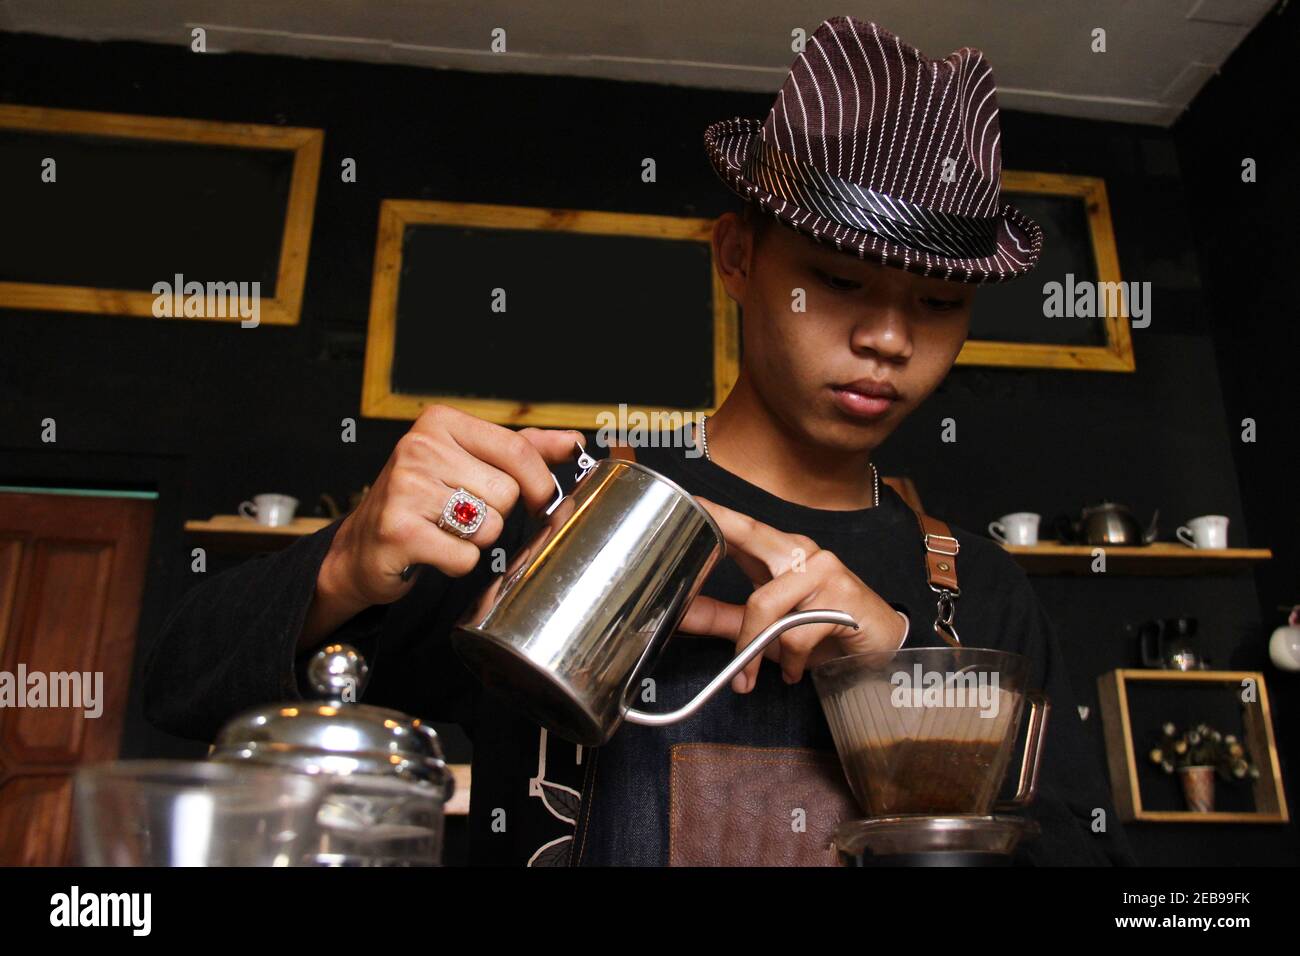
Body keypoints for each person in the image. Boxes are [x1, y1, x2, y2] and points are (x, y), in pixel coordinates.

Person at [145, 15, 1135, 866]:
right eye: (836, 282)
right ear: (738, 257)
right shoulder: (558, 508)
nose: (886, 338)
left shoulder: (980, 590)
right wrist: (346, 563)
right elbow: (182, 684)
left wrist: (899, 677)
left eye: (937, 300)